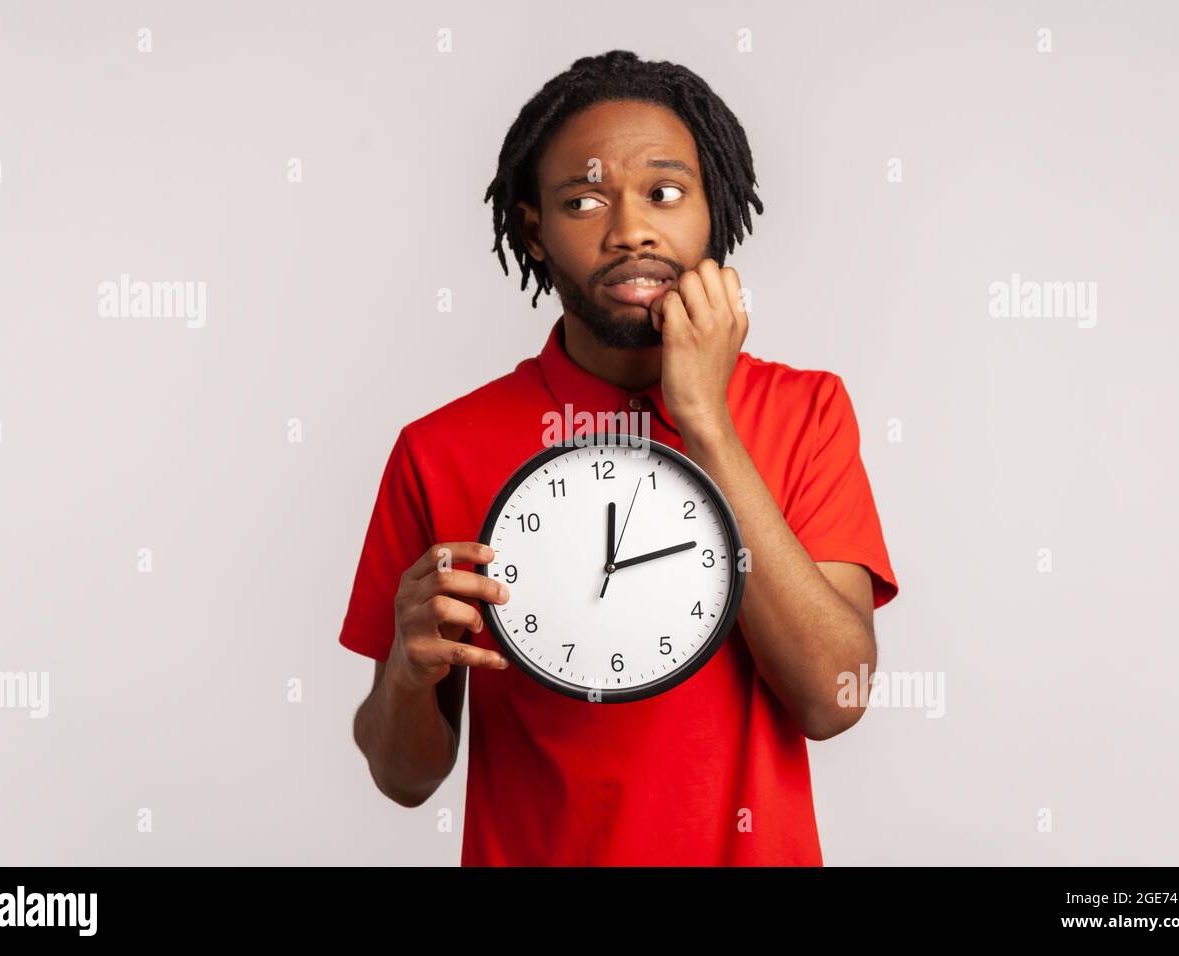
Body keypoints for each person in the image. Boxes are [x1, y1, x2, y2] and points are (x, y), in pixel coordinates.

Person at [340, 50, 899, 866]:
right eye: (583, 199)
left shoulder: (805, 412)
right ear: (534, 229)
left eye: (665, 194)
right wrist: (404, 676)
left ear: (713, 213)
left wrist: (705, 421)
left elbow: (832, 697)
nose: (630, 228)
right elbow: (404, 777)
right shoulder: (439, 449)